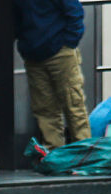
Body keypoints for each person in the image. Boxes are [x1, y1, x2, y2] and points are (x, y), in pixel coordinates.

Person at [11, 0, 91, 151]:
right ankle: (55, 153)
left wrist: (68, 43)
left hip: (58, 52)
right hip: (35, 54)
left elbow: (75, 12)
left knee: (72, 104)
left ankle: (83, 154)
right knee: (45, 109)